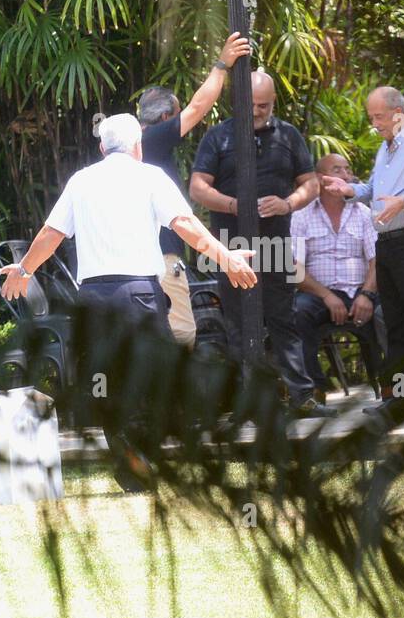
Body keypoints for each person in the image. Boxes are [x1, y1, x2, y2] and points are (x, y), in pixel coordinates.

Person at [0, 114, 257, 490]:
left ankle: (132, 469)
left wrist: (23, 271)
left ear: (102, 148)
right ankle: (148, 460)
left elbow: (50, 234)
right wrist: (228, 258)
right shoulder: (150, 176)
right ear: (138, 147)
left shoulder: (81, 180)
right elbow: (185, 224)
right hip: (140, 294)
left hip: (95, 299)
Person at [189, 70, 335, 418]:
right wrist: (234, 205)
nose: (257, 111)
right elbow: (197, 187)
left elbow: (311, 183)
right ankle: (248, 402)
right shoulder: (219, 136)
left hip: (275, 241)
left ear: (273, 103)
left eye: (265, 105)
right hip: (230, 243)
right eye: (252, 104)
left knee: (284, 319)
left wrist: (288, 204)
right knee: (238, 323)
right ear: (238, 100)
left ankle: (301, 396)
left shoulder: (288, 135)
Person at [320, 86, 404, 419]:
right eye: (371, 117)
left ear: (397, 113)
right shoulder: (384, 149)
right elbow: (374, 191)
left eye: (378, 117)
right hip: (387, 244)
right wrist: (349, 190)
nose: (374, 124)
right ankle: (399, 396)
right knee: (393, 325)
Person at [137, 31, 252, 346]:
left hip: (135, 263)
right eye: (174, 117)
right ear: (163, 118)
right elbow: (198, 108)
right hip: (160, 258)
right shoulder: (151, 139)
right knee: (182, 334)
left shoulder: (123, 149)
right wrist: (221, 64)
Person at [290, 153, 382, 403]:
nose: (345, 175)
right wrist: (327, 296)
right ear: (320, 179)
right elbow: (295, 270)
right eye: (337, 169)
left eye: (347, 169)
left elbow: (377, 260)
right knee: (298, 313)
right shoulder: (301, 216)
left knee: (387, 315)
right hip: (319, 294)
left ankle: (389, 388)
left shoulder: (364, 213)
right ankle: (314, 391)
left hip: (361, 291)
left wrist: (367, 294)